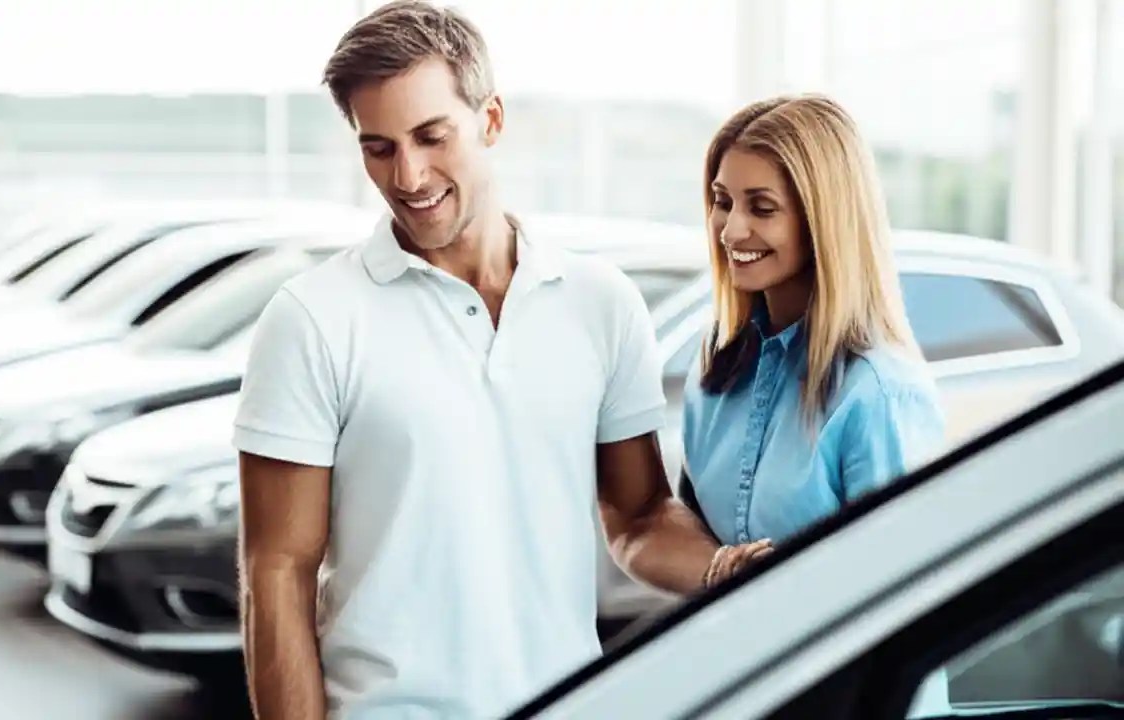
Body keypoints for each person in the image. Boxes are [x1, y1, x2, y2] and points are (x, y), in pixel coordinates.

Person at [233, 2, 768, 718]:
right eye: (379, 147)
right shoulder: (311, 319)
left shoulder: (599, 301)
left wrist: (722, 569)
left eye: (431, 136)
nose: (410, 175)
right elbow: (277, 569)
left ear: (490, 120)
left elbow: (637, 515)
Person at [681, 94, 947, 551]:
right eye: (722, 201)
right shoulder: (716, 366)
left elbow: (899, 583)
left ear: (823, 219)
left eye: (761, 208)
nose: (730, 230)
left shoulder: (878, 393)